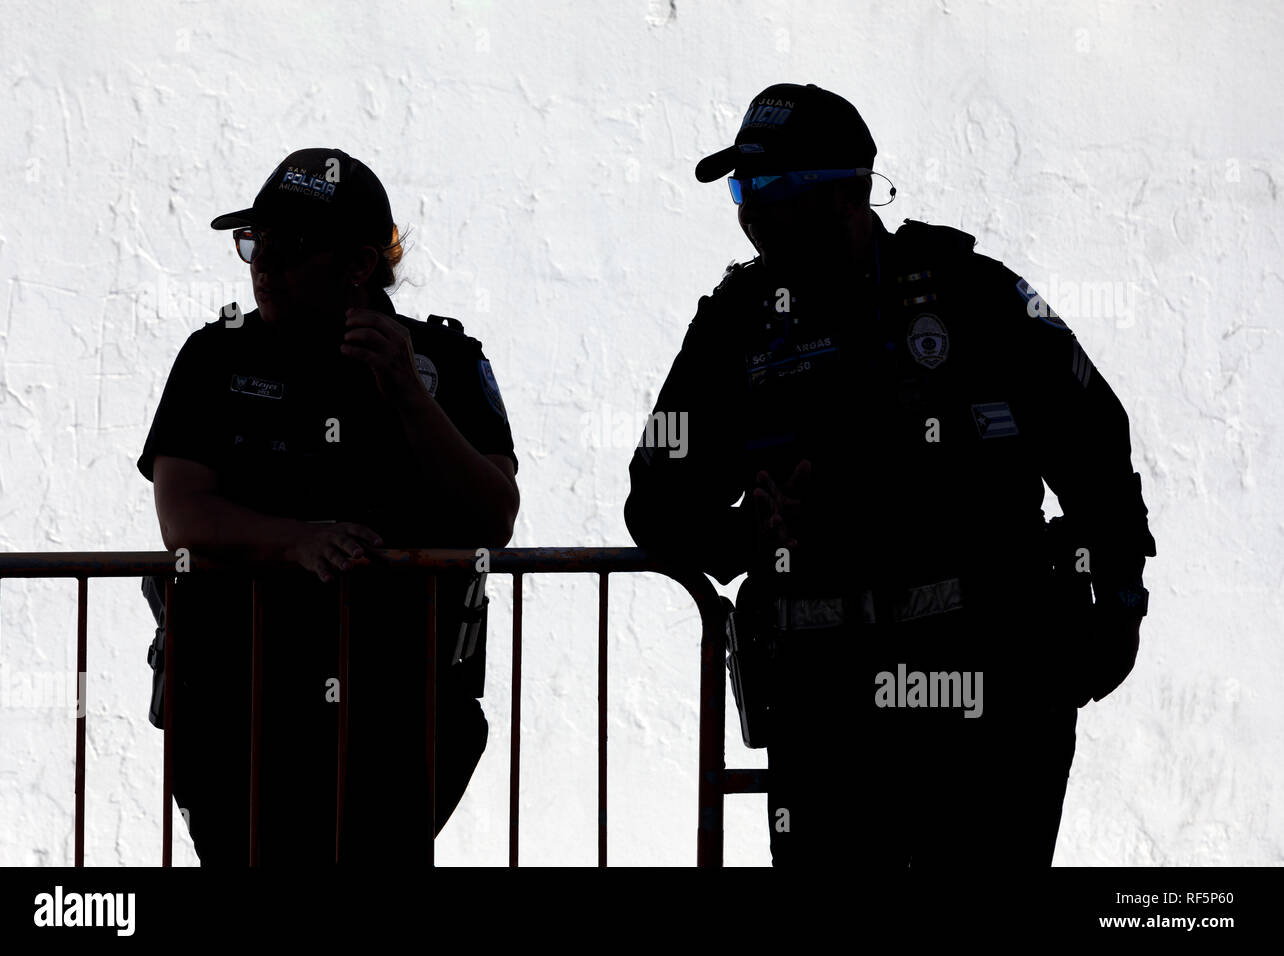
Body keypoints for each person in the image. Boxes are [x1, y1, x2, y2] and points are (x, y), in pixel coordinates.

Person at [624, 84, 1156, 867]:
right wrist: (743, 533)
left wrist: (1116, 603)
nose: (748, 212)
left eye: (769, 188)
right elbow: (653, 496)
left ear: (847, 191)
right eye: (742, 190)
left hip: (989, 705)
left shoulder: (971, 296)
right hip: (826, 712)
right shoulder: (735, 324)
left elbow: (1096, 445)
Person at [137, 147, 520, 865]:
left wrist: (408, 394)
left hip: (396, 714)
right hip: (238, 706)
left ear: (358, 265)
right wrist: (293, 542)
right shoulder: (214, 358)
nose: (263, 264)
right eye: (255, 243)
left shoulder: (445, 362)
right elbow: (182, 513)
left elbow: (492, 515)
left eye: (289, 247)